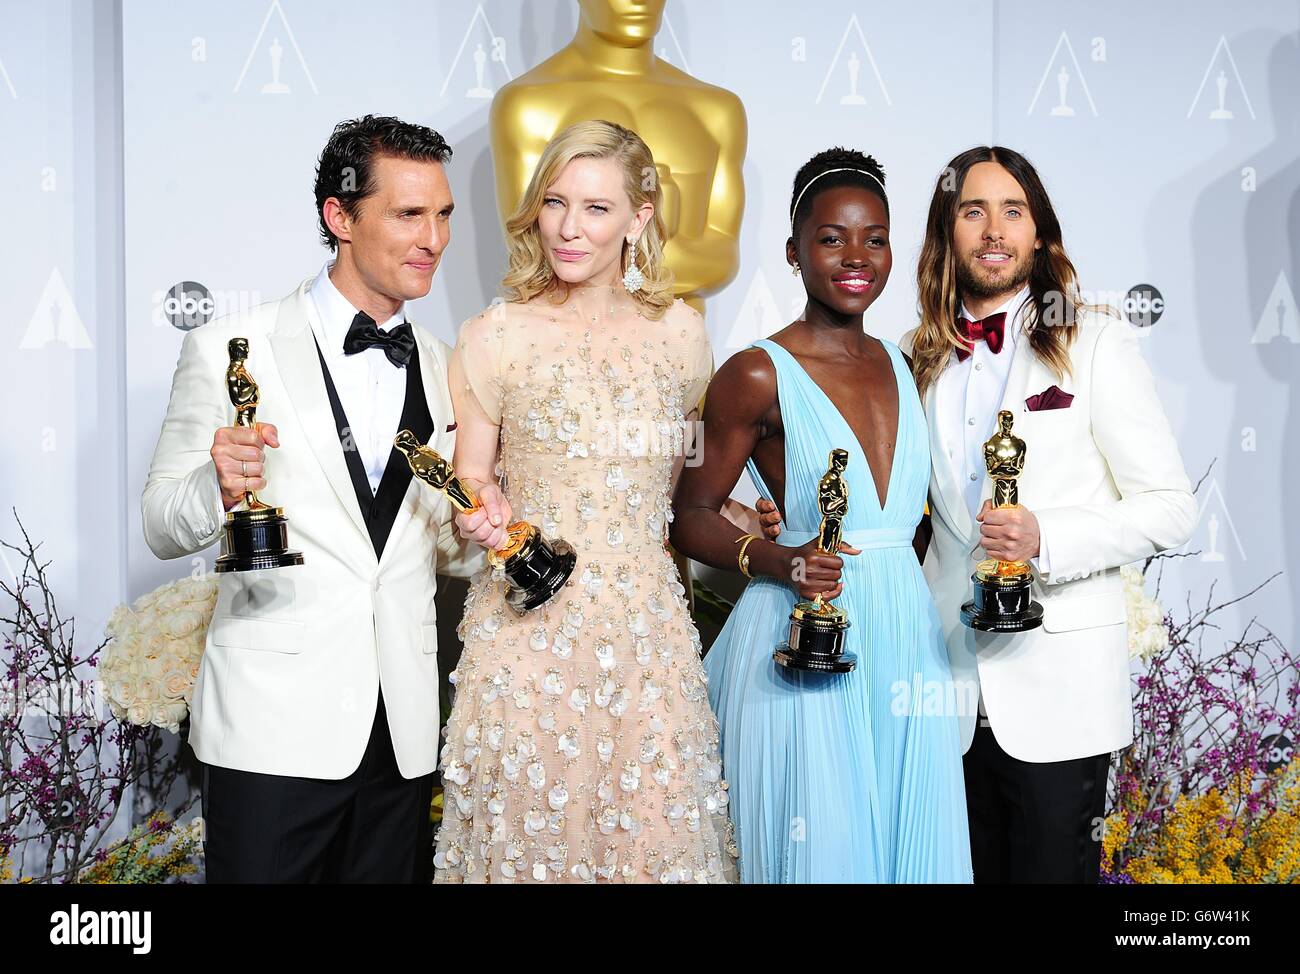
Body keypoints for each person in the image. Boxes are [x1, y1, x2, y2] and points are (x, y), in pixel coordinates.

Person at [142, 115, 483, 883]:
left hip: (400, 730)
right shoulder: (232, 345)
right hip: (271, 728)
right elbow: (162, 524)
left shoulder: (448, 365)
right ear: (340, 218)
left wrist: (479, 528)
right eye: (407, 214)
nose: (433, 237)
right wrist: (215, 483)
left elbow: (447, 552)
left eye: (443, 215)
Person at [432, 119, 740, 883]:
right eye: (556, 202)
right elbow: (470, 476)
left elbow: (679, 485)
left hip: (647, 632)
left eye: (597, 208)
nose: (569, 228)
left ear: (639, 219)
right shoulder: (497, 334)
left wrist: (742, 516)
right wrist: (477, 507)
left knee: (649, 845)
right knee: (531, 844)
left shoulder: (682, 335)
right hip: (526, 628)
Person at [671, 148, 973, 883]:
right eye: (832, 238)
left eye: (875, 237)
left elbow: (906, 521)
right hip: (806, 642)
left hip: (903, 638)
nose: (856, 256)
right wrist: (784, 562)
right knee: (823, 853)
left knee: (909, 846)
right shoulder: (753, 372)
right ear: (794, 251)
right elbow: (690, 516)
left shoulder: (905, 363)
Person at [900, 146, 1196, 882]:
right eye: (973, 211)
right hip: (948, 698)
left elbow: (1171, 510)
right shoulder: (916, 357)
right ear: (948, 230)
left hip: (1062, 701)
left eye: (1013, 211)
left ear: (1039, 233)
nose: (993, 229)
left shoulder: (1095, 341)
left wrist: (1047, 537)